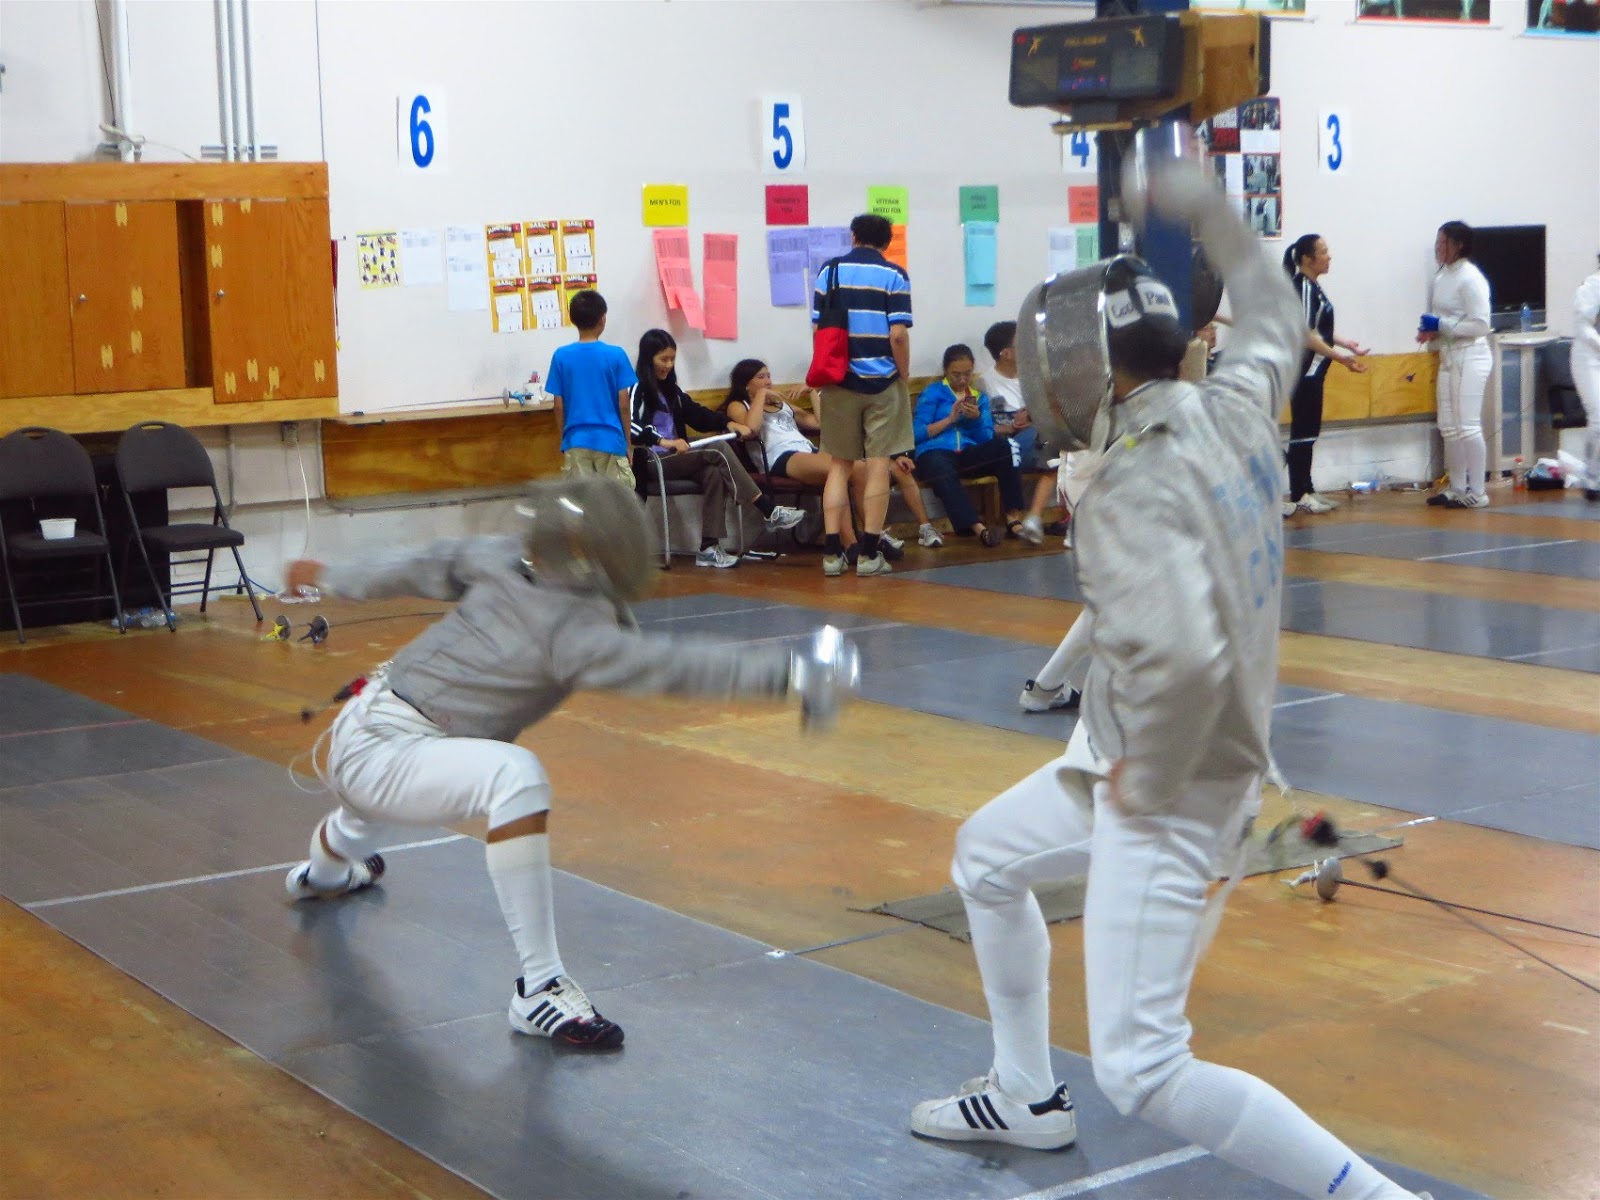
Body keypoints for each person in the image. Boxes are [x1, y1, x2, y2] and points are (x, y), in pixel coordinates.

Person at [910, 158, 1430, 1200]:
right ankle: (1023, 1091)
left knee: (1144, 1069)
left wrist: (1170, 791)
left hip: (1163, 781)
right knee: (984, 861)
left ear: (1093, 368)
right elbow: (1276, 306)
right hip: (1129, 756)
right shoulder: (1237, 400)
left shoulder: (1125, 488)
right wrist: (1206, 205)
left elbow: (1179, 651)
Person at [280, 477, 859, 1050]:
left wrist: (329, 575)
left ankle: (322, 877)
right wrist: (795, 675)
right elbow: (672, 664)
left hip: (374, 728)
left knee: (359, 823)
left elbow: (666, 662)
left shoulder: (529, 580)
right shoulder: (548, 603)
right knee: (515, 776)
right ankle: (539, 987)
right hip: (385, 746)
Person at [722, 361, 942, 578]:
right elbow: (751, 428)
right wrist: (760, 397)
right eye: (761, 378)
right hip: (779, 457)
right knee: (846, 468)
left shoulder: (783, 405)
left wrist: (813, 393)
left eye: (769, 375)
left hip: (807, 451)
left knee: (857, 468)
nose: (768, 381)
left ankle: (868, 536)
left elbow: (821, 423)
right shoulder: (739, 405)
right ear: (745, 385)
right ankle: (857, 542)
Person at [628, 330, 805, 569]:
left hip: (676, 458)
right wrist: (664, 441)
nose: (668, 365)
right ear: (649, 359)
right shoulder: (637, 389)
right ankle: (768, 509)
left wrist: (727, 423)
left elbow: (699, 415)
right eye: (663, 359)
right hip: (652, 460)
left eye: (672, 359)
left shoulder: (673, 392)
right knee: (718, 448)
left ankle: (709, 548)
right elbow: (632, 427)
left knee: (713, 472)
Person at [811, 213, 913, 577]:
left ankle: (832, 554)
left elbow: (818, 329)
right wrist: (903, 374)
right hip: (883, 382)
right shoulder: (894, 275)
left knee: (839, 465)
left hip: (839, 381)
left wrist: (830, 373)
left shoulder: (829, 272)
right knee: (878, 464)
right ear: (886, 242)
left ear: (853, 236)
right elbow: (897, 334)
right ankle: (870, 554)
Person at [1282, 234, 1370, 517]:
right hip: (1304, 370)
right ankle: (1299, 493)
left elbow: (1322, 331)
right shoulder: (1303, 288)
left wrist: (1345, 344)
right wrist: (1342, 359)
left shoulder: (1315, 288)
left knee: (1310, 430)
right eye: (1323, 252)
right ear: (1307, 259)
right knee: (1302, 429)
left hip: (1316, 371)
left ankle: (1307, 488)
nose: (1329, 257)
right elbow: (1305, 334)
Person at [912, 344, 1031, 547]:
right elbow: (916, 434)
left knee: (1007, 447)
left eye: (967, 374)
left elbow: (986, 437)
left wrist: (976, 419)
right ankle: (978, 527)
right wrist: (950, 419)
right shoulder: (933, 393)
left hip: (968, 452)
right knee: (941, 468)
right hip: (935, 452)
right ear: (945, 371)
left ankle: (1013, 518)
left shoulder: (979, 397)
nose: (962, 380)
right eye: (955, 374)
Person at [1419, 221, 1493, 509]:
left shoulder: (1471, 278)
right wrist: (1431, 331)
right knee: (1448, 426)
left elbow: (1481, 324)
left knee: (1468, 426)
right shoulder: (1442, 277)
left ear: (1459, 245)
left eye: (1444, 242)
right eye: (1437, 242)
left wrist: (1443, 324)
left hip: (1471, 356)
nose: (1439, 248)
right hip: (1449, 356)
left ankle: (1478, 491)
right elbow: (1446, 322)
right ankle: (1457, 486)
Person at [982, 320, 1069, 543]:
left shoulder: (1033, 376)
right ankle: (1036, 517)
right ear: (1006, 353)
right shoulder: (986, 382)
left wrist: (1034, 419)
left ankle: (1037, 517)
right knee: (1056, 448)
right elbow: (984, 428)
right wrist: (1011, 425)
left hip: (1039, 438)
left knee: (1061, 447)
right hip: (1008, 445)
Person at [545, 289, 636, 488]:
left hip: (576, 439)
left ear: (572, 319)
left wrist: (564, 439)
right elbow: (623, 404)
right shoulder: (616, 355)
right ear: (603, 319)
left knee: (581, 503)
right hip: (611, 440)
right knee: (616, 502)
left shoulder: (561, 356)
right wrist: (628, 443)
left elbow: (558, 405)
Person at [1572, 257, 1600, 500]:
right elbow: (1583, 326)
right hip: (1588, 357)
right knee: (1598, 417)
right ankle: (1591, 478)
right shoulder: (1593, 286)